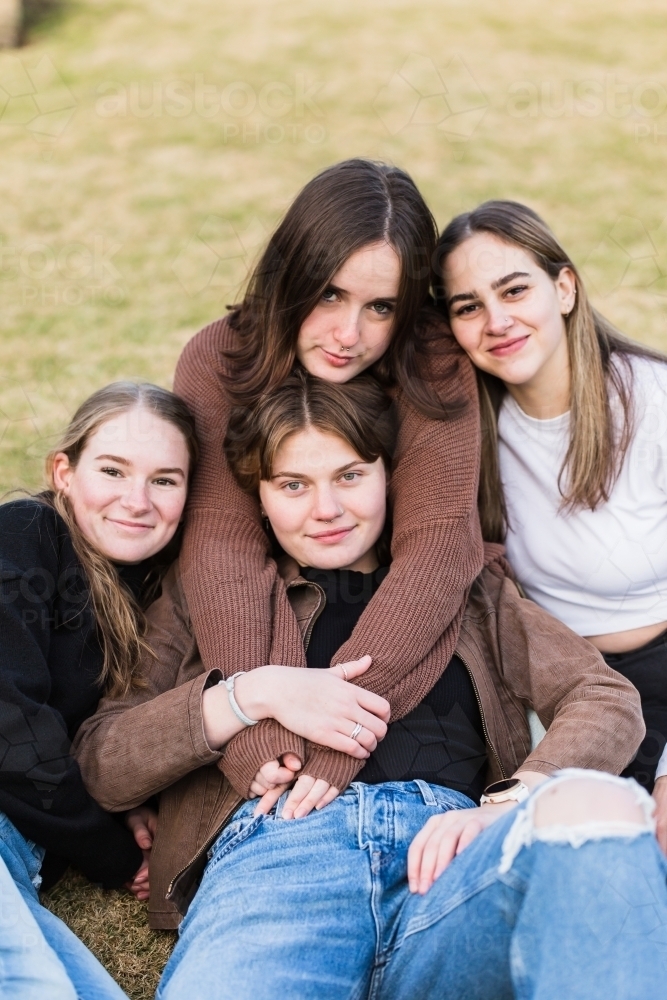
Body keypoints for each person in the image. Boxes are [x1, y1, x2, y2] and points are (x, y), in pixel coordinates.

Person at [74, 370, 653, 999]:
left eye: (349, 475)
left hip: (450, 857)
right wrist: (245, 696)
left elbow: (603, 697)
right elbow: (105, 758)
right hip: (281, 861)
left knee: (600, 825)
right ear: (260, 498)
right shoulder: (212, 597)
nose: (326, 510)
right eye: (293, 485)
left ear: (387, 478)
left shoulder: (470, 591)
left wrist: (507, 805)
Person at [172, 157, 485, 802]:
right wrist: (261, 730)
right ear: (292, 276)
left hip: (385, 608)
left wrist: (337, 739)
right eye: (329, 295)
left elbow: (438, 545)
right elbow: (221, 545)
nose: (349, 334)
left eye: (380, 307)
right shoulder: (219, 357)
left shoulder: (431, 359)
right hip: (288, 601)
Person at [434, 200, 667, 850]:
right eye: (467, 306)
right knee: (578, 854)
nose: (496, 321)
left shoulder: (650, 399)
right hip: (572, 691)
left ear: (562, 288)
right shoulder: (470, 436)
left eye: (514, 290)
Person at [0, 381, 198, 999]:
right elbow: (11, 724)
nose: (136, 500)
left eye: (165, 480)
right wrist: (112, 851)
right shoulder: (26, 532)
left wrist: (117, 794)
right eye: (112, 470)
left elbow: (90, 736)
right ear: (64, 470)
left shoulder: (158, 595)